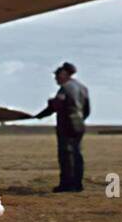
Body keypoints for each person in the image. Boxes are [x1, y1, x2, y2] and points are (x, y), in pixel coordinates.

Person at [35, 62, 90, 192]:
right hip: (79, 125)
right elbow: (87, 109)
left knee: (66, 155)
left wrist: (40, 115)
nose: (56, 78)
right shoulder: (82, 87)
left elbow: (56, 106)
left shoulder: (65, 88)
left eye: (57, 75)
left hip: (67, 125)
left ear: (64, 74)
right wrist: (80, 120)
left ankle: (67, 185)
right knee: (77, 154)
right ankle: (77, 184)